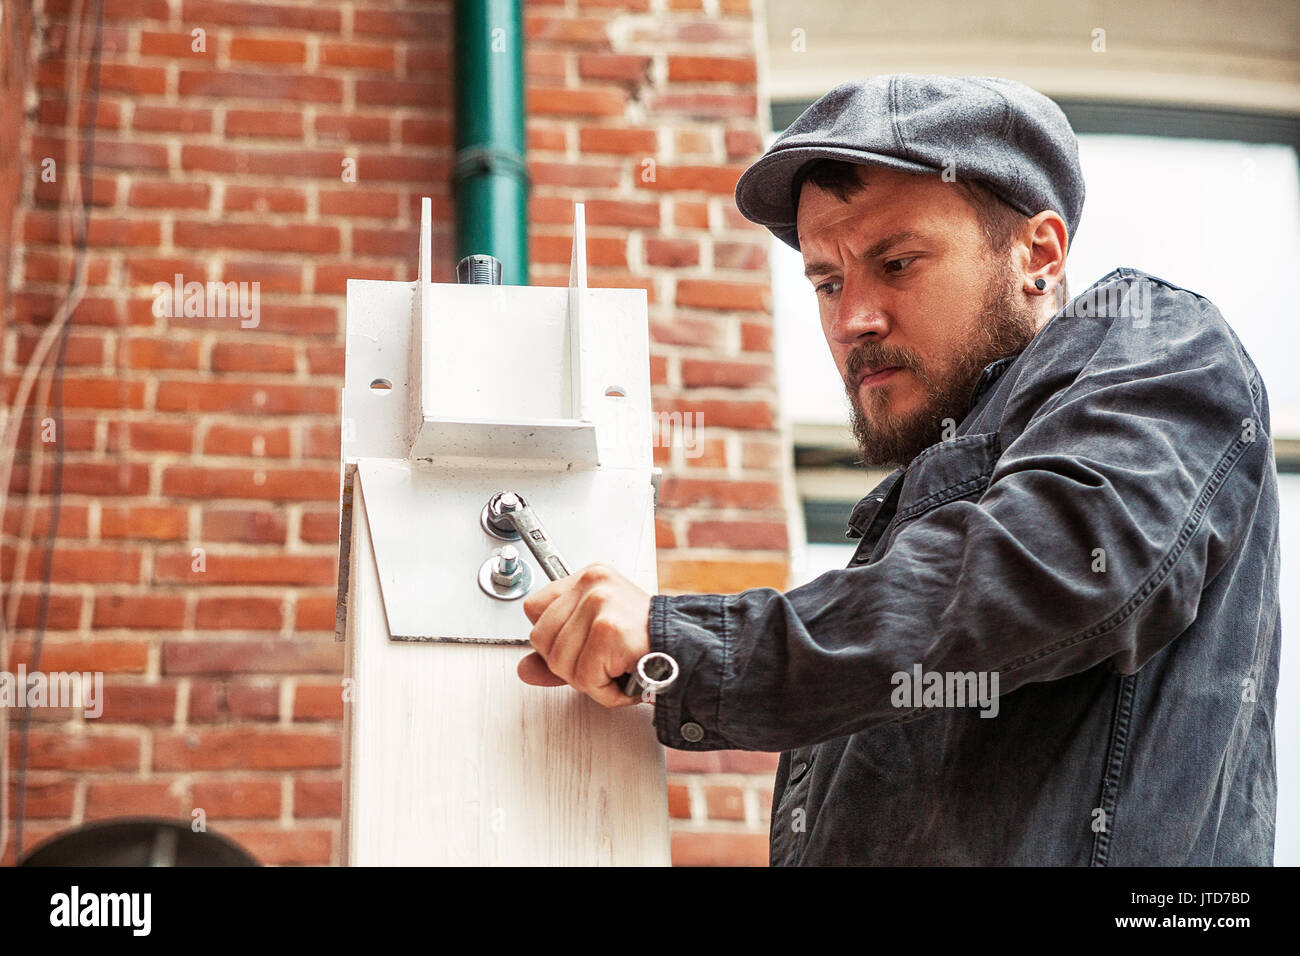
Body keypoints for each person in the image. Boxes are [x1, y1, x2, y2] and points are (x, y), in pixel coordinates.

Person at [515, 74, 1281, 865]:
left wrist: (695, 644)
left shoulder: (1154, 340)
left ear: (1038, 254)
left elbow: (1059, 560)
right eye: (827, 281)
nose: (852, 321)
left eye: (899, 263)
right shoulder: (895, 548)